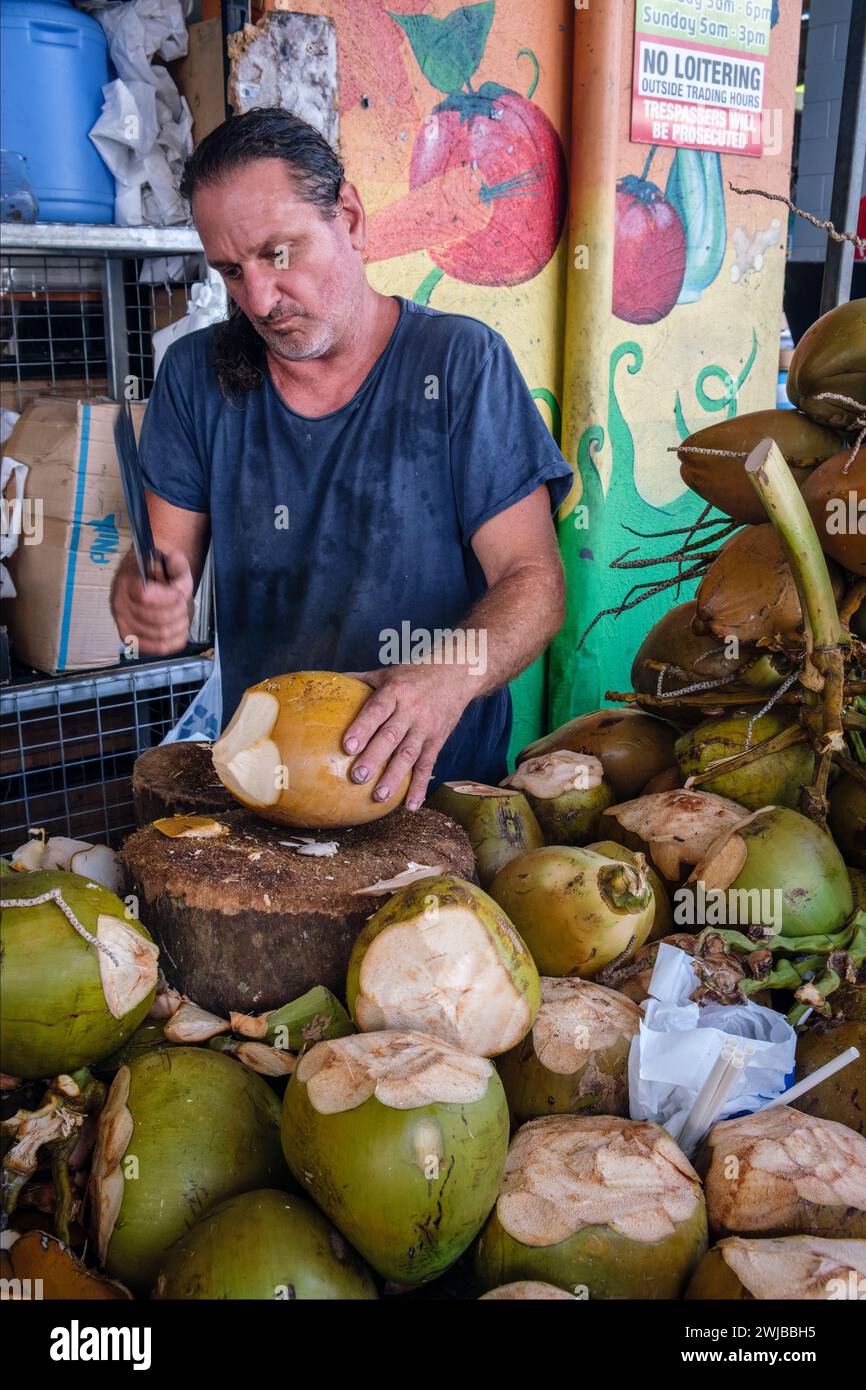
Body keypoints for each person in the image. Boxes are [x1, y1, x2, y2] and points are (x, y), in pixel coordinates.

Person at [110, 108, 571, 811]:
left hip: (438, 796)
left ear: (349, 218)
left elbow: (534, 581)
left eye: (279, 254)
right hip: (270, 789)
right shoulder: (194, 375)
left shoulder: (459, 364)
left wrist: (444, 675)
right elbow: (159, 566)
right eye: (232, 271)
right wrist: (149, 597)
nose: (259, 299)